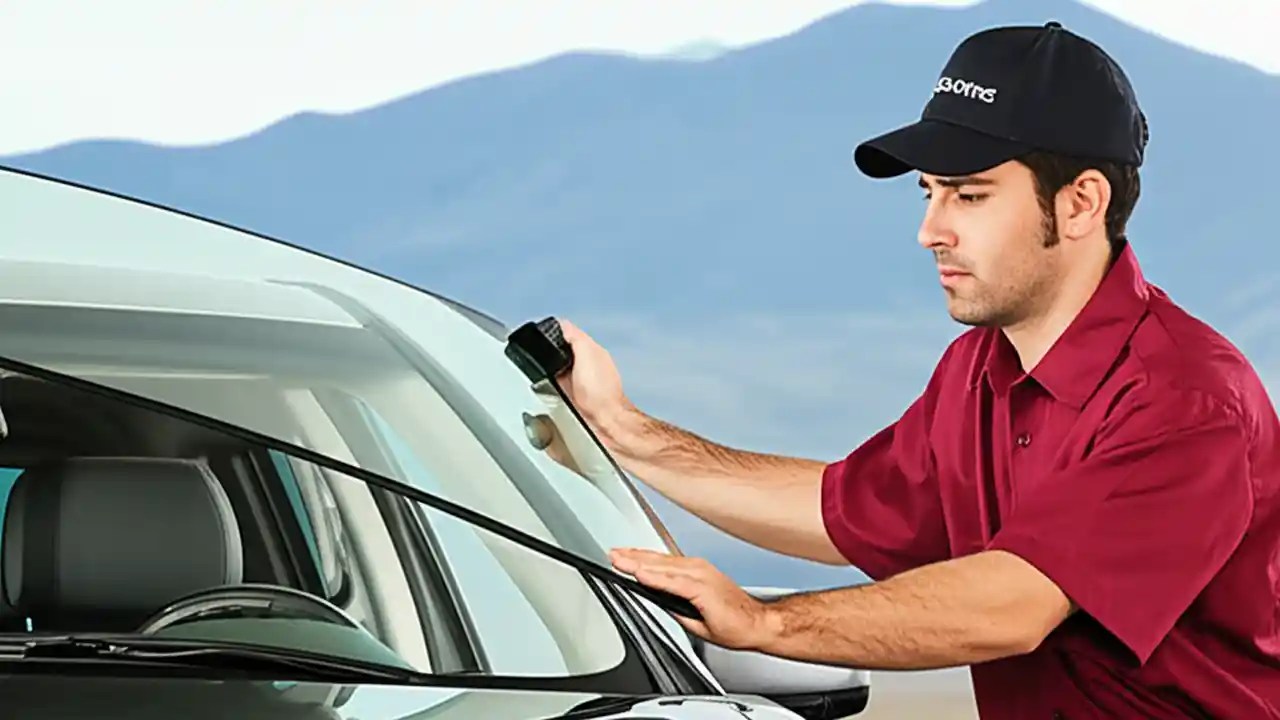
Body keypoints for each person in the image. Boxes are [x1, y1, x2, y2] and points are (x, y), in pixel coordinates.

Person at [556, 20, 1280, 719]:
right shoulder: (979, 371)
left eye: (969, 195)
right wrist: (623, 432)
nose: (931, 230)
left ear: (1081, 202)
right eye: (929, 192)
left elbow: (1016, 604)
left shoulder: (1185, 398)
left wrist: (763, 625)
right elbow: (840, 511)